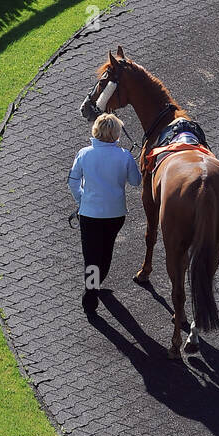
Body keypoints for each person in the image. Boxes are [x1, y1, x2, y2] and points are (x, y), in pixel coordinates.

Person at [67, 112, 141, 312]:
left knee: (91, 257)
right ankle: (96, 283)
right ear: (116, 133)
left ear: (96, 130)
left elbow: (73, 181)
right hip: (115, 215)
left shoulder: (84, 154)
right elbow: (136, 181)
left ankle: (90, 296)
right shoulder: (124, 156)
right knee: (105, 253)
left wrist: (82, 200)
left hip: (90, 215)